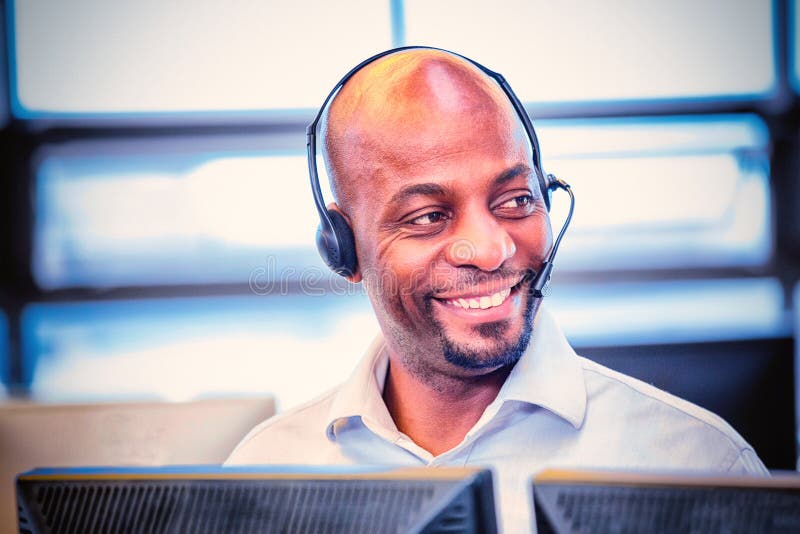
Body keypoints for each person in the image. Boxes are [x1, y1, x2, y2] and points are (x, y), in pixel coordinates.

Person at [226, 48, 767, 533]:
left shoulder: (700, 466)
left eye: (514, 201)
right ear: (343, 249)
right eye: (428, 216)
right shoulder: (262, 478)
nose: (489, 250)